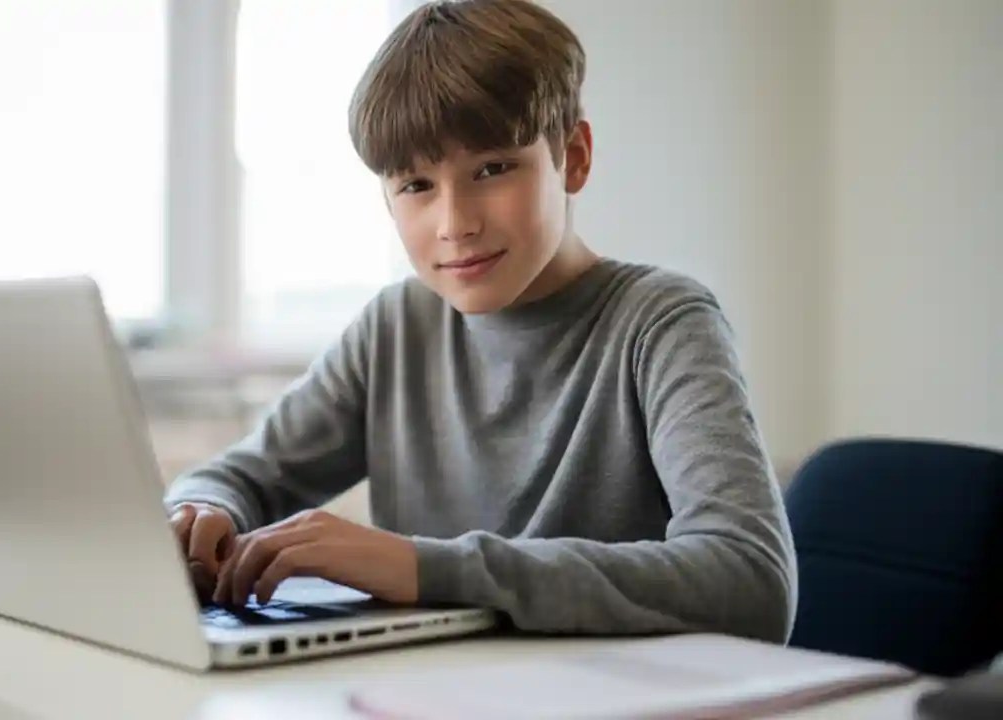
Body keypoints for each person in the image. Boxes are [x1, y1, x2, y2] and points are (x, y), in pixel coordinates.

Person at [165, 0, 796, 642]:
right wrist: (202, 511)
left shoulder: (661, 324)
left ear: (573, 158)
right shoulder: (396, 328)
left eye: (492, 169)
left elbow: (750, 579)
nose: (455, 223)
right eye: (416, 185)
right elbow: (241, 475)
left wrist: (417, 566)